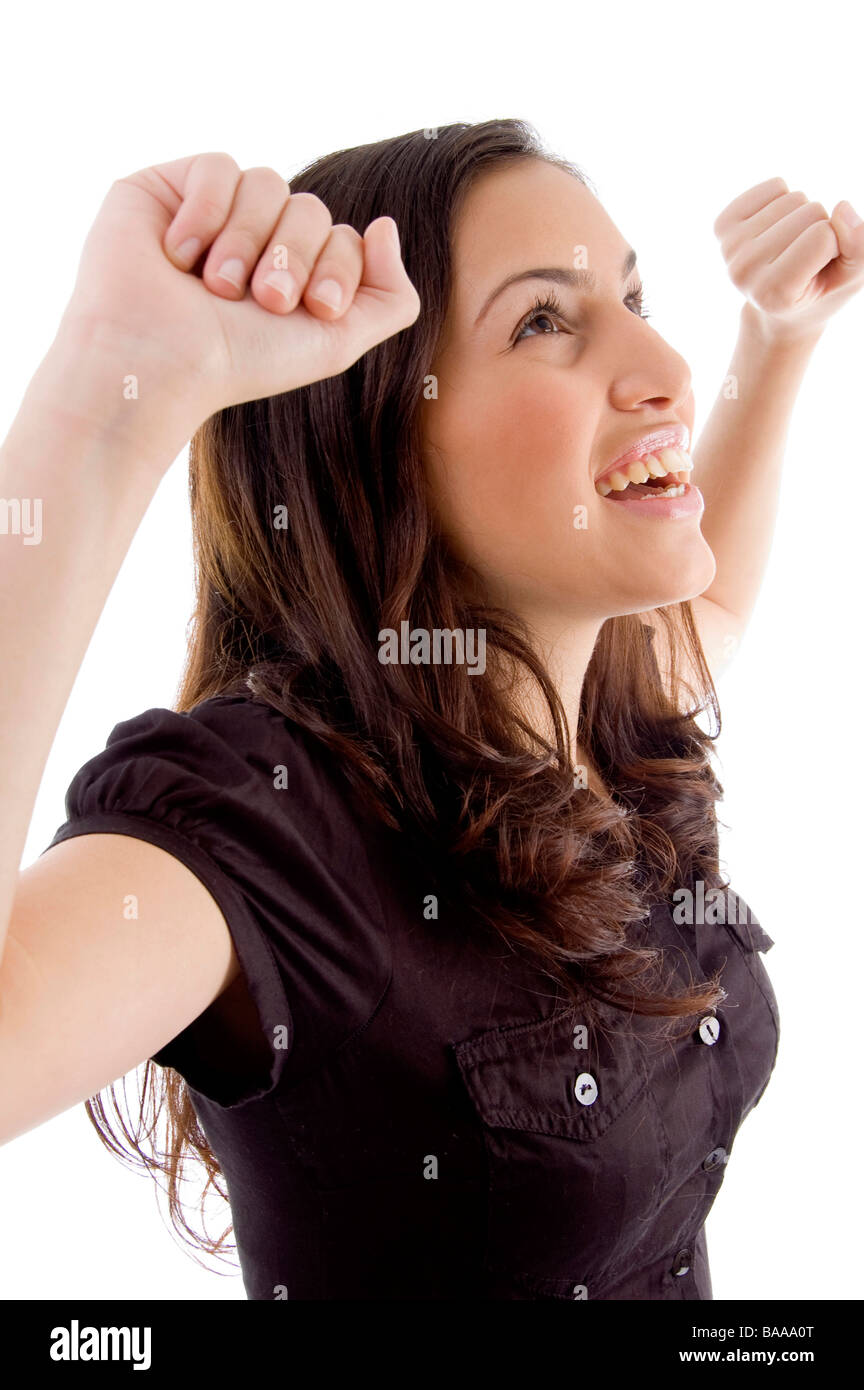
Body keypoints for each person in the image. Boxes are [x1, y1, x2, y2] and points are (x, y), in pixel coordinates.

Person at [1, 119, 861, 1301]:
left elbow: (711, 602)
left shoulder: (600, 721)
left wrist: (779, 338)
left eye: (634, 296)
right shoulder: (266, 829)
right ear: (378, 443)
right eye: (544, 321)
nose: (665, 362)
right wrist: (108, 398)